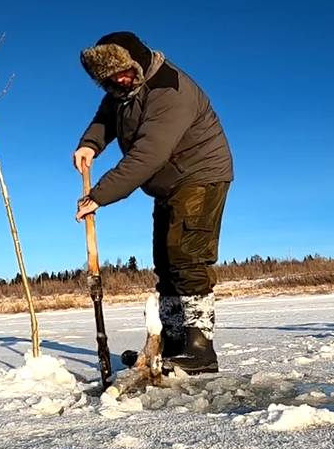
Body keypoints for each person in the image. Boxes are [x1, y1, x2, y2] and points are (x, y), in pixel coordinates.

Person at [72, 32, 234, 374]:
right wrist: (90, 143)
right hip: (167, 184)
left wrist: (99, 195)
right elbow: (106, 116)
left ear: (138, 61)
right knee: (165, 262)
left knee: (187, 257)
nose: (118, 81)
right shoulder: (122, 90)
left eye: (123, 72)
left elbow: (148, 155)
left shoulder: (169, 90)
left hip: (198, 175)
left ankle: (200, 349)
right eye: (109, 79)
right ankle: (175, 343)